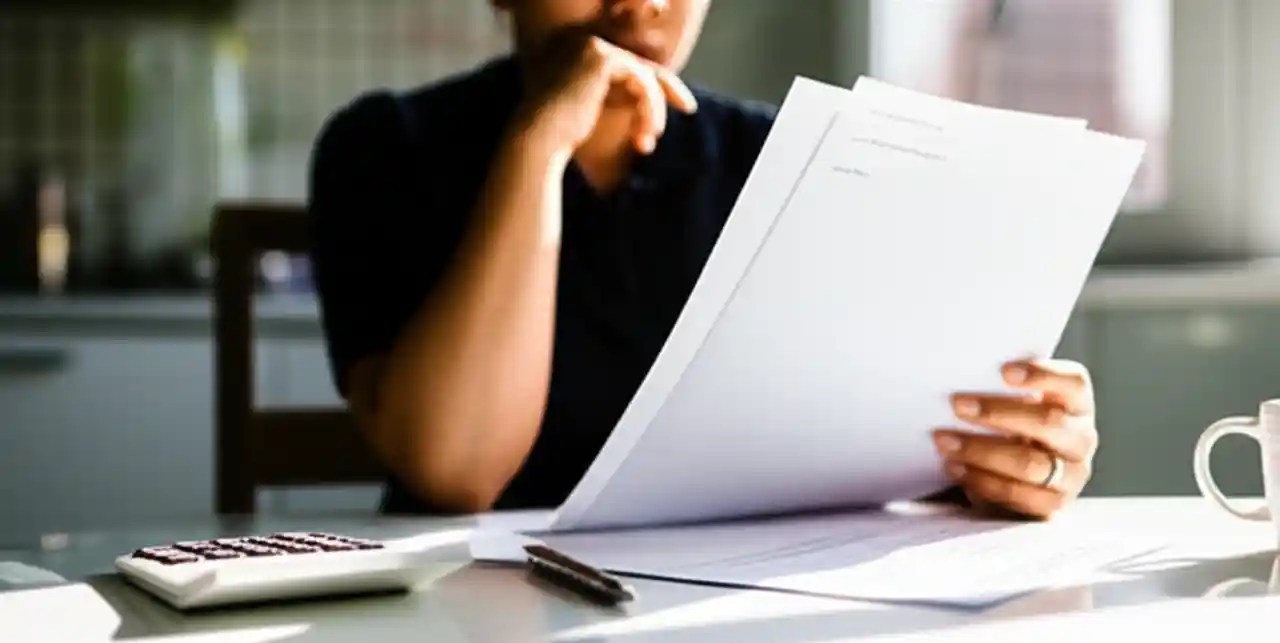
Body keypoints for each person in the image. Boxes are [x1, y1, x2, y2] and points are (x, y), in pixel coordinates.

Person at [308, 0, 1099, 521]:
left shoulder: (790, 159)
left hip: (713, 622)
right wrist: (537, 145)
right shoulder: (383, 149)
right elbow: (455, 472)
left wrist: (1011, 461)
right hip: (451, 628)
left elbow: (870, 451)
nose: (639, 3)